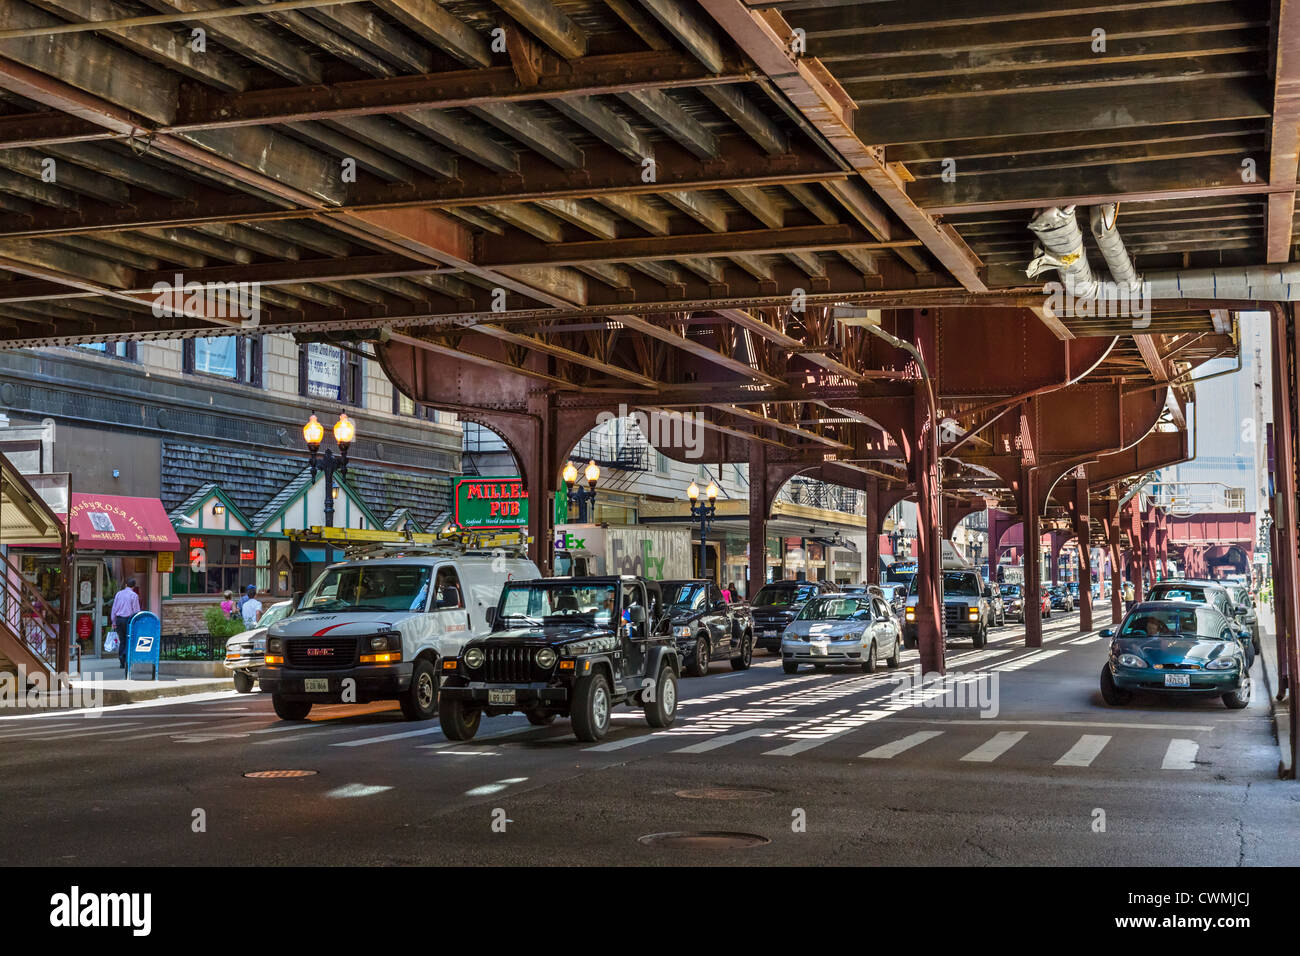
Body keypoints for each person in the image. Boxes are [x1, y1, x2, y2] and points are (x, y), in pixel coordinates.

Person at [110, 577, 141, 671]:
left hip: (119, 620)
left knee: (122, 640)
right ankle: (125, 656)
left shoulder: (119, 594)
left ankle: (121, 660)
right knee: (129, 639)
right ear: (134, 586)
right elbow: (136, 610)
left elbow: (114, 609)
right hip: (129, 620)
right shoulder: (134, 595)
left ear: (126, 585)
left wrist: (113, 621)